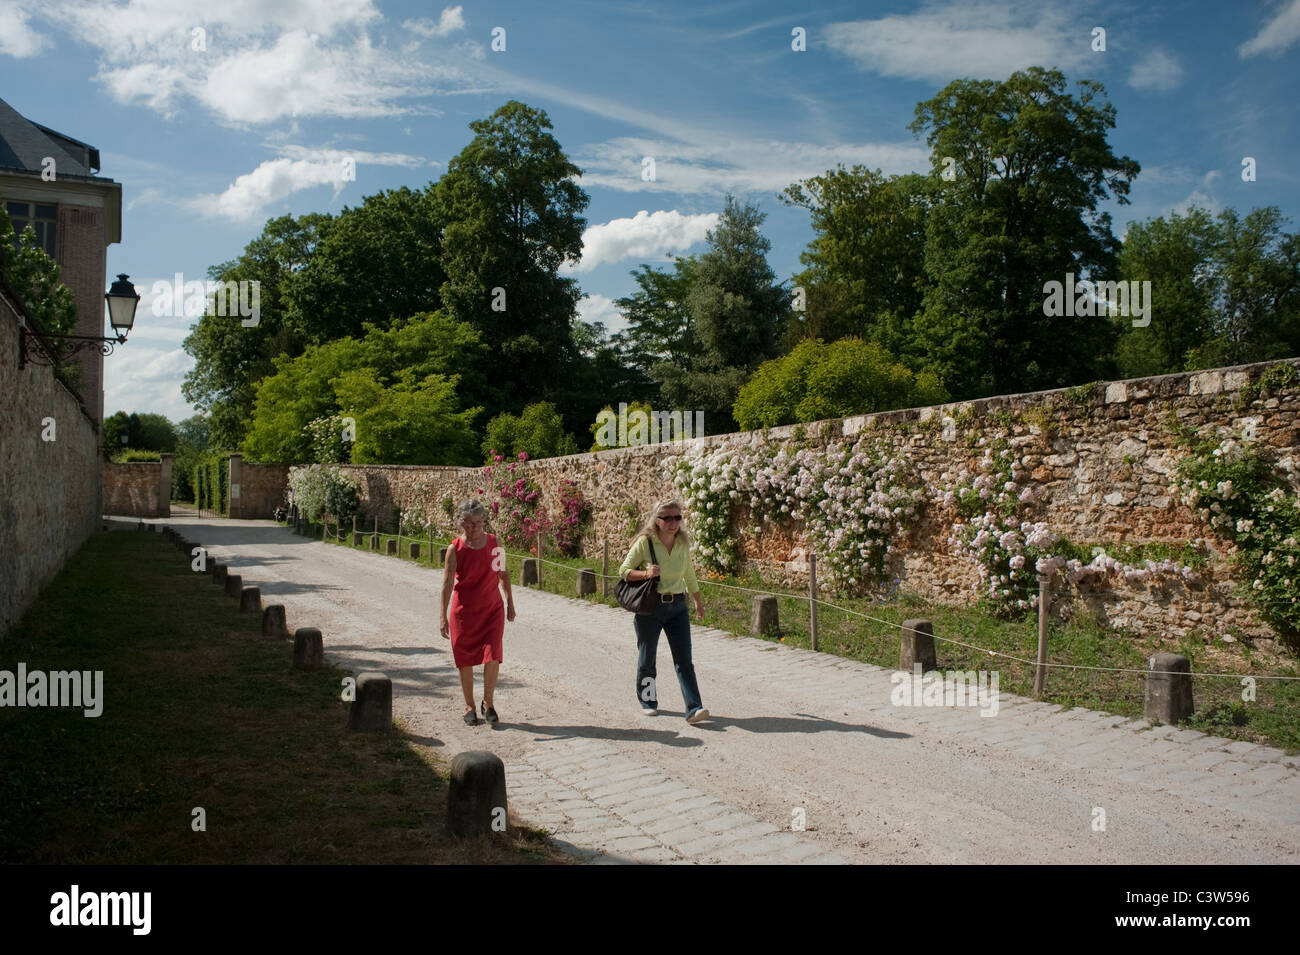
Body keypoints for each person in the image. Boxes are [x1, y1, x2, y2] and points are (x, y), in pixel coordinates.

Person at [618, 499, 709, 724]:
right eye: (668, 518)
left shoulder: (682, 544)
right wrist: (646, 574)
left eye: (677, 517)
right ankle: (648, 701)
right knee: (647, 657)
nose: (673, 522)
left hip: (678, 606)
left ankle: (694, 708)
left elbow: (689, 574)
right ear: (657, 520)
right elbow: (624, 571)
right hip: (651, 608)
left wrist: (697, 600)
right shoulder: (645, 543)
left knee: (684, 660)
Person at [440, 500, 515, 725]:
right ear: (461, 523)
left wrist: (510, 602)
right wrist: (442, 616)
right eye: (469, 524)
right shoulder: (455, 549)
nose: (474, 528)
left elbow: (504, 573)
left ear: (484, 521)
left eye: (478, 523)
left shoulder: (494, 542)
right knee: (465, 659)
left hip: (492, 609)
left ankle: (488, 703)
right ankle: (469, 706)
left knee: (492, 654)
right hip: (464, 613)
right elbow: (446, 585)